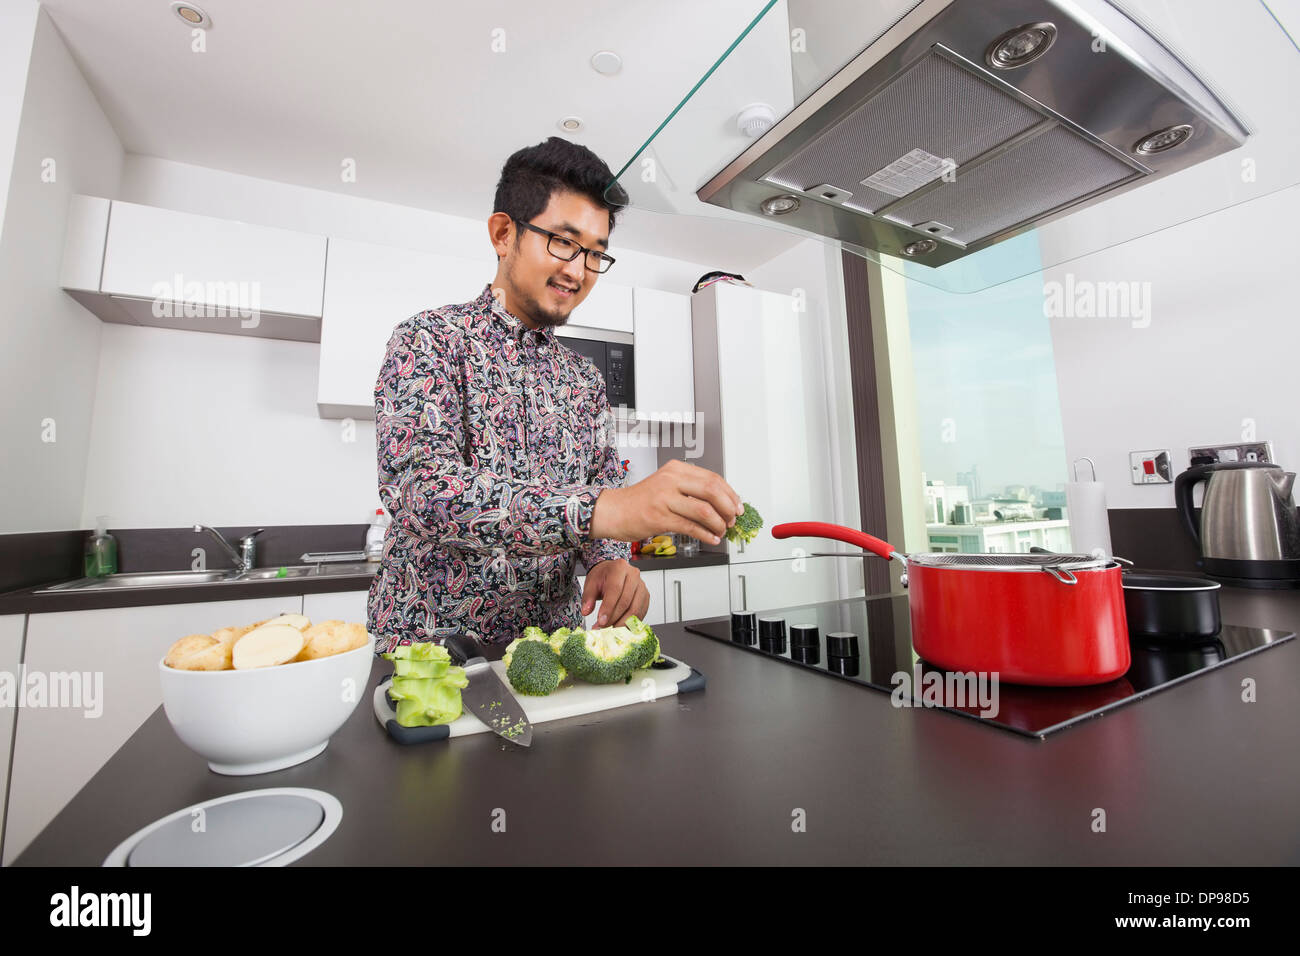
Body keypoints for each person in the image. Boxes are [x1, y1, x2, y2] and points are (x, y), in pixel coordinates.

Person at [367, 137, 742, 653]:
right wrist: (600, 512)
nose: (578, 270)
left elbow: (605, 481)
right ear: (504, 233)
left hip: (552, 651)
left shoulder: (585, 379)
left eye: (595, 254)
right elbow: (423, 492)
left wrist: (611, 558)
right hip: (431, 654)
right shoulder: (428, 339)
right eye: (563, 242)